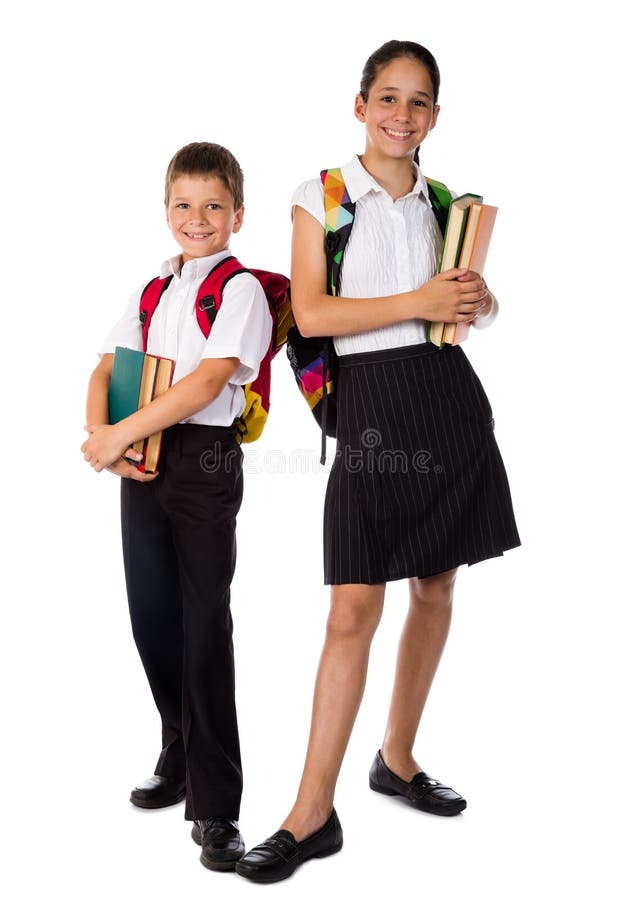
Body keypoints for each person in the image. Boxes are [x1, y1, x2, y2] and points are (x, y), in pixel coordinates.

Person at [236, 40, 520, 883]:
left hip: (448, 400)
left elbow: (458, 310)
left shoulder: (441, 202)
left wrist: (478, 299)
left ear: (435, 116)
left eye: (419, 102)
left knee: (436, 584)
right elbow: (312, 316)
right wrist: (419, 300)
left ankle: (395, 759)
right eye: (388, 98)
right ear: (359, 105)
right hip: (370, 410)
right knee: (351, 608)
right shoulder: (320, 196)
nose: (402, 114)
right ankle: (309, 813)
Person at [81, 142, 272, 872]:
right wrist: (101, 433)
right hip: (141, 460)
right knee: (152, 617)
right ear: (166, 212)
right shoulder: (151, 289)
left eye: (213, 206)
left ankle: (217, 806)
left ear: (237, 215)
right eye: (184, 205)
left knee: (203, 626)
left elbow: (206, 384)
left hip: (201, 460)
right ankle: (178, 753)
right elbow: (105, 367)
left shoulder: (241, 289)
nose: (197, 218)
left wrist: (121, 433)